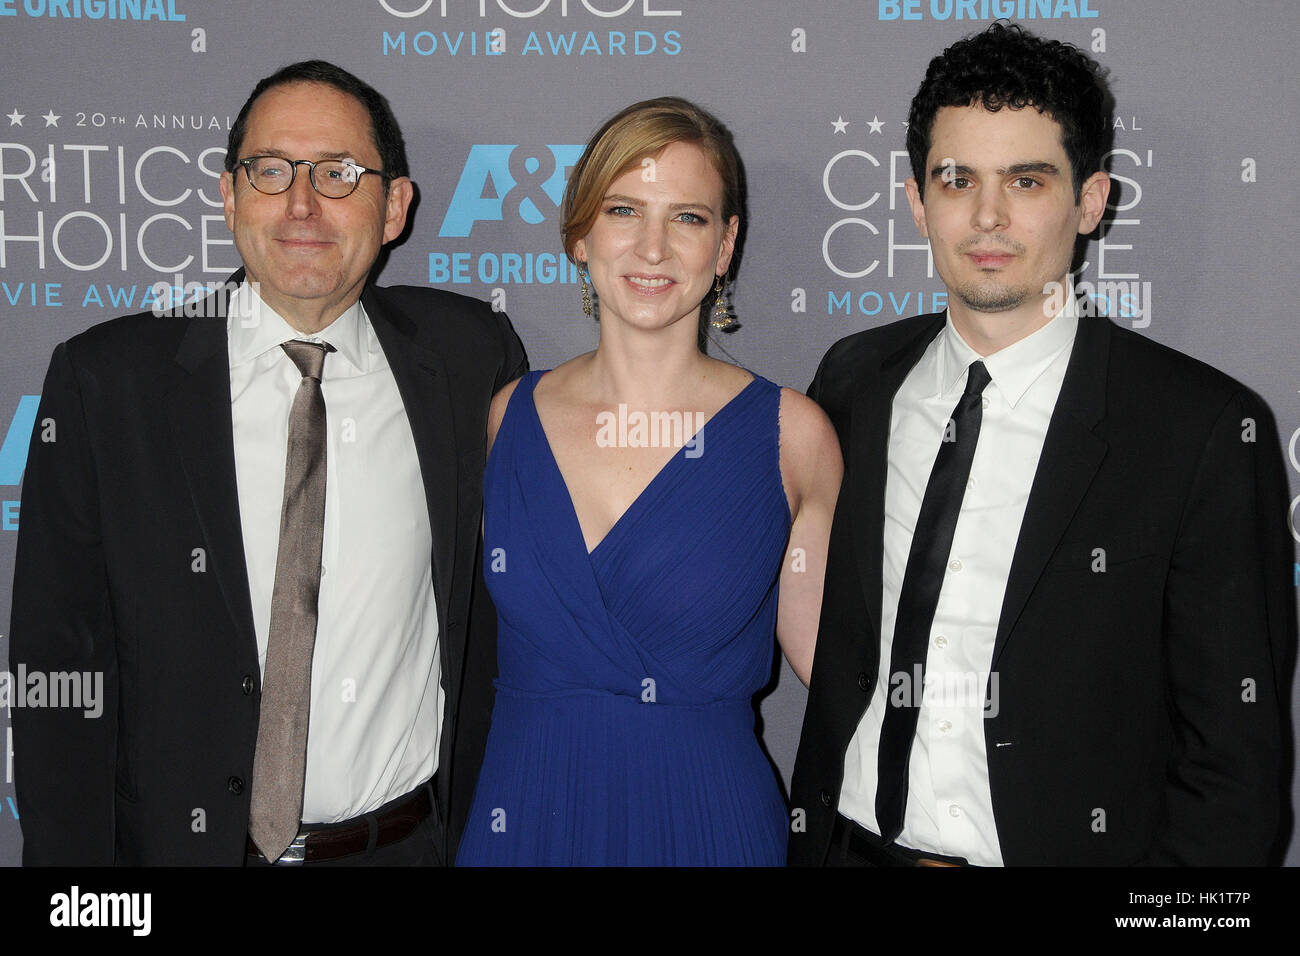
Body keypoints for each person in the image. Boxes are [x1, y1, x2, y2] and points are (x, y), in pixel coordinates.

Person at [789, 22, 1291, 866]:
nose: (988, 216)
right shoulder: (855, 379)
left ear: (1091, 201)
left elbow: (1232, 767)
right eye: (957, 180)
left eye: (1027, 180)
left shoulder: (1199, 428)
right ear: (917, 201)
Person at [9, 60, 526, 866]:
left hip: (403, 848)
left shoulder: (468, 359)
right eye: (271, 170)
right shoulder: (107, 382)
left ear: (395, 207)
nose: (302, 203)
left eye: (339, 173)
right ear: (228, 195)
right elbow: (57, 675)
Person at [454, 97, 842, 866]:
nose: (654, 248)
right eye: (624, 210)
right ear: (579, 234)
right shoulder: (508, 416)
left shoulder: (791, 435)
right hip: (521, 821)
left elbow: (839, 670)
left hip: (709, 826)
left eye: (690, 218)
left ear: (726, 245)